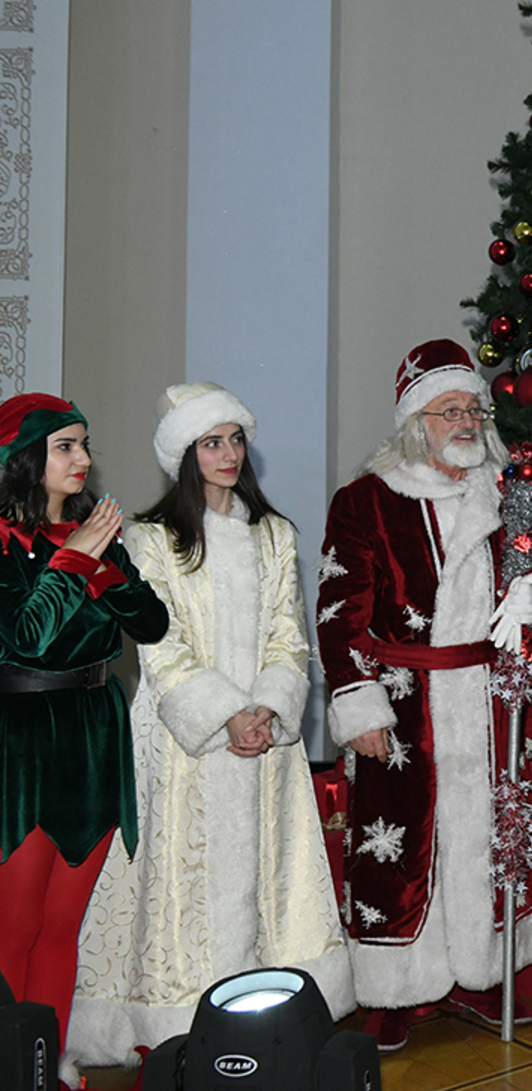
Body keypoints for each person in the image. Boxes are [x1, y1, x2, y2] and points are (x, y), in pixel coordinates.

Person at [67, 383, 352, 1065]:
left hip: (266, 742)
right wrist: (224, 715)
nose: (227, 454)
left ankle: (268, 1031)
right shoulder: (150, 538)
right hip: (181, 746)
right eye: (210, 442)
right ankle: (177, 1031)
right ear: (186, 455)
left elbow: (290, 637)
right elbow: (160, 648)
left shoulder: (274, 534)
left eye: (234, 439)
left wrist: (268, 711)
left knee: (268, 884)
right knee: (177, 885)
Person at [319, 339, 532, 1053]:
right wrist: (356, 701)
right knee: (399, 846)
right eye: (447, 409)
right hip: (402, 699)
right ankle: (396, 986)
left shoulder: (509, 491)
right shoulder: (367, 498)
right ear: (415, 420)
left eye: (472, 407)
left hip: (490, 699)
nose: (464, 420)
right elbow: (339, 609)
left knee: (492, 837)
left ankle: (482, 974)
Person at [0, 394, 169, 1073]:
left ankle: (47, 1067)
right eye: (66, 446)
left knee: (63, 926)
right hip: (22, 739)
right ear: (24, 457)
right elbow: (28, 637)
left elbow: (151, 623)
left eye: (85, 444)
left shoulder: (90, 535)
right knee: (14, 927)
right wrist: (74, 561)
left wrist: (98, 563)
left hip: (95, 734)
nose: (84, 460)